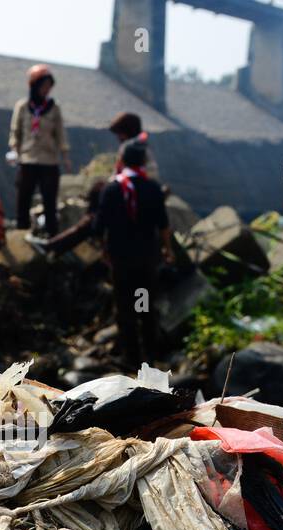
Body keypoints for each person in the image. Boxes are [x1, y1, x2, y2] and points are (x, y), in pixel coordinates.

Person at [27, 110, 151, 258]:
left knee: (93, 220)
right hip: (125, 196)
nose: (118, 137)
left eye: (120, 133)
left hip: (130, 201)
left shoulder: (139, 152)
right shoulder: (133, 148)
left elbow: (140, 179)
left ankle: (56, 245)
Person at [95, 139, 173, 369]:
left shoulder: (111, 189)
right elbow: (164, 226)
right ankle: (150, 356)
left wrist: (104, 250)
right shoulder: (153, 188)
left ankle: (131, 358)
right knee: (146, 305)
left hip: (121, 259)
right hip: (147, 258)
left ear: (121, 160)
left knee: (125, 307)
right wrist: (167, 250)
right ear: (144, 163)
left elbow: (100, 227)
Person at [9, 64, 70, 236]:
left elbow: (60, 134)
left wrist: (65, 156)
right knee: (24, 198)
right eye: (43, 86)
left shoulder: (54, 108)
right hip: (27, 159)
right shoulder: (22, 107)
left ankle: (52, 235)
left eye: (49, 87)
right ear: (34, 86)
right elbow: (16, 132)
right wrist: (14, 150)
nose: (46, 90)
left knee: (49, 200)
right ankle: (21, 232)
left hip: (48, 161)